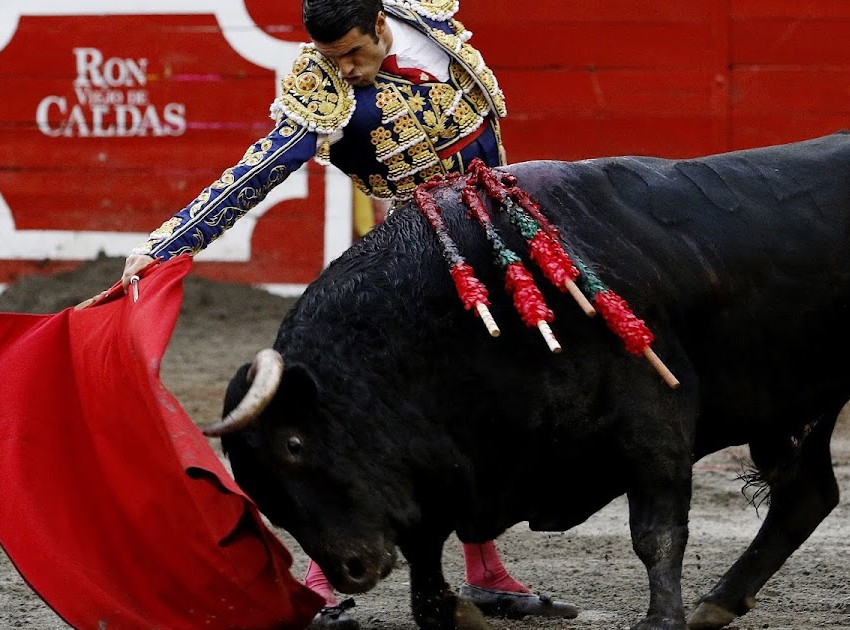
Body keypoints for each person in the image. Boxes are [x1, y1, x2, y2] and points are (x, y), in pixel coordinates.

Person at [84, 1, 578, 629]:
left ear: (379, 27)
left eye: (353, 53)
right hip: (415, 261)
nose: (345, 70)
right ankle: (320, 581)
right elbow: (257, 172)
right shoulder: (319, 89)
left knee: (479, 412)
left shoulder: (420, 14)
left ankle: (484, 573)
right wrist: (165, 245)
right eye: (331, 58)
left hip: (494, 236)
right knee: (386, 420)